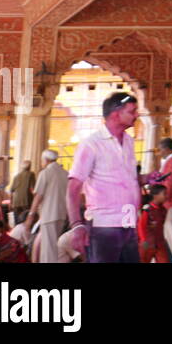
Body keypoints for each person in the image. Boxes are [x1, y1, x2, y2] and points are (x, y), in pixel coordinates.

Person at [67, 91, 144, 264]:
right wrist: (77, 225)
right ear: (116, 114)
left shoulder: (129, 142)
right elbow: (73, 188)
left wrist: (146, 179)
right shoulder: (92, 144)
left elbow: (126, 179)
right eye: (132, 111)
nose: (137, 115)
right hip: (104, 225)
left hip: (128, 221)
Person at [25, 149, 68, 263]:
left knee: (48, 250)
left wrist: (30, 215)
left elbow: (38, 196)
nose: (41, 163)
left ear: (46, 160)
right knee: (53, 246)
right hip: (61, 214)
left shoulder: (45, 173)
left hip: (49, 215)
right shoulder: (65, 173)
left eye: (41, 160)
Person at [137, 184, 171, 263]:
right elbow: (141, 225)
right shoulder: (147, 210)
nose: (166, 196)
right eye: (164, 194)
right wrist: (143, 239)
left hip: (160, 243)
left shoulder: (163, 210)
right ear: (155, 196)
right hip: (147, 244)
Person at [8, 160, 35, 226]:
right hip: (26, 200)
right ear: (29, 166)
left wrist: (11, 203)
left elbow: (11, 190)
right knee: (26, 221)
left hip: (16, 201)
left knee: (17, 222)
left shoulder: (16, 176)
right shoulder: (31, 174)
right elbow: (33, 188)